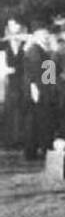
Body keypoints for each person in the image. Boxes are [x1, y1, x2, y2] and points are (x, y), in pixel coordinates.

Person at [22, 25, 56, 160]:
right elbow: (34, 73)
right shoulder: (35, 51)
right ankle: (32, 151)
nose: (46, 38)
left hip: (44, 90)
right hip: (39, 91)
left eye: (47, 36)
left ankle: (39, 149)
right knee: (35, 122)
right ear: (36, 37)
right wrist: (35, 89)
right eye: (43, 36)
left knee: (41, 121)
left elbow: (49, 74)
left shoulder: (44, 51)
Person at [2, 19, 26, 149]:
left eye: (17, 24)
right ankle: (10, 140)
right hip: (10, 83)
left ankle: (21, 139)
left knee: (22, 111)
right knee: (11, 111)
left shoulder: (26, 45)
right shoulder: (4, 46)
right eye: (12, 25)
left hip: (24, 82)